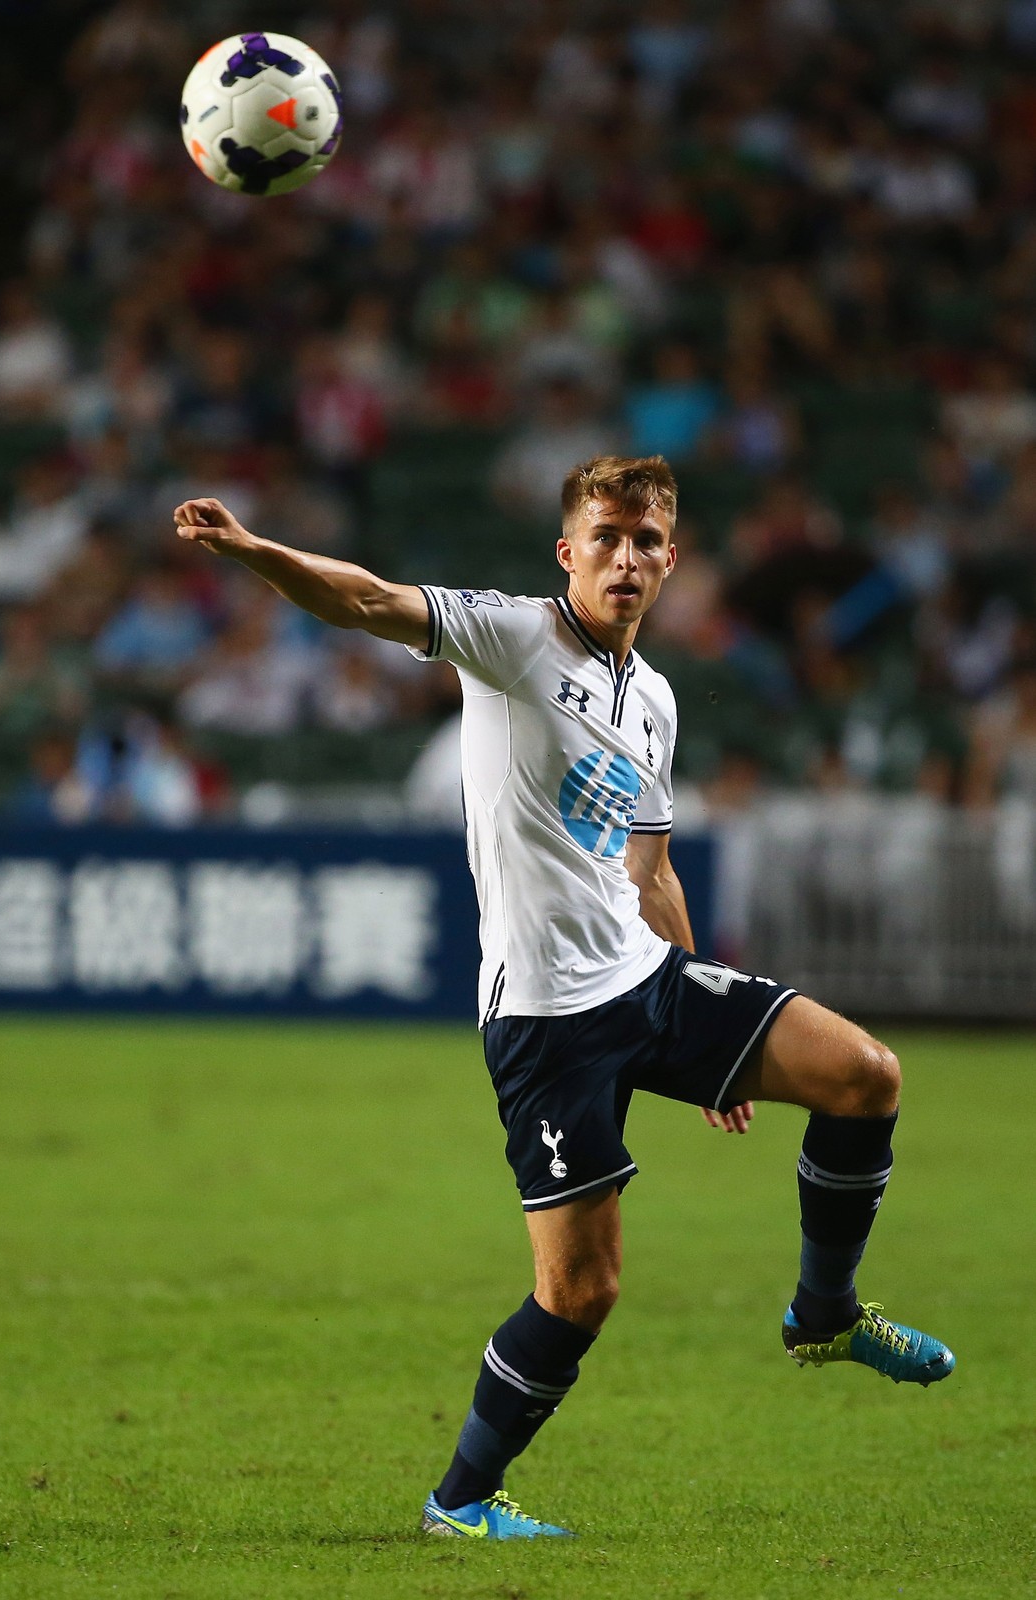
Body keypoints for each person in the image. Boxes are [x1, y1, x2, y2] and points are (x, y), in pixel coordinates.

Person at [173, 454, 954, 1543]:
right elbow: (363, 598)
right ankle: (460, 1499)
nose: (624, 559)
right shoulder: (511, 638)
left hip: (647, 976)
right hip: (545, 1020)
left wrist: (704, 1032)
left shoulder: (657, 700)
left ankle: (822, 1314)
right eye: (605, 538)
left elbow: (652, 869)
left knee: (864, 1075)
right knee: (581, 1292)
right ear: (567, 552)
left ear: (670, 560)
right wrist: (257, 553)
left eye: (645, 543)